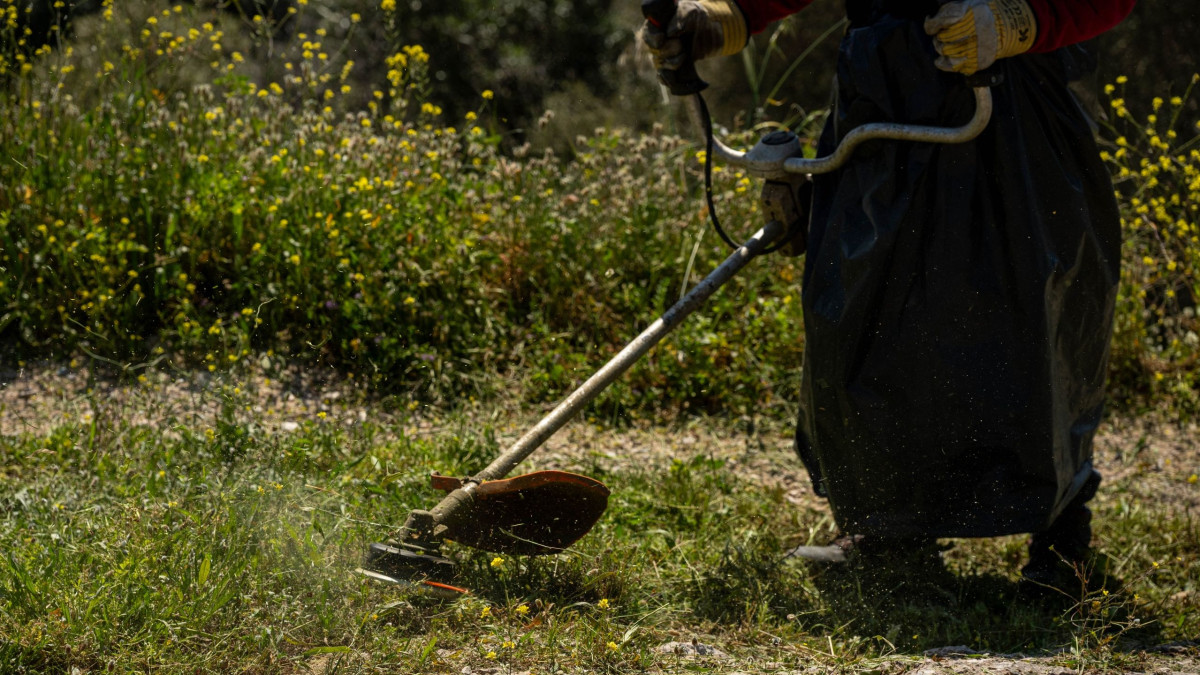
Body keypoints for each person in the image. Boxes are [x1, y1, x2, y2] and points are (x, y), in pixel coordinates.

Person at [643, 0, 1137, 586]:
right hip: (882, 97)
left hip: (1016, 100)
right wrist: (728, 14)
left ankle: (1061, 546)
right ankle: (887, 536)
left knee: (1030, 319)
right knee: (865, 315)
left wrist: (1024, 20)